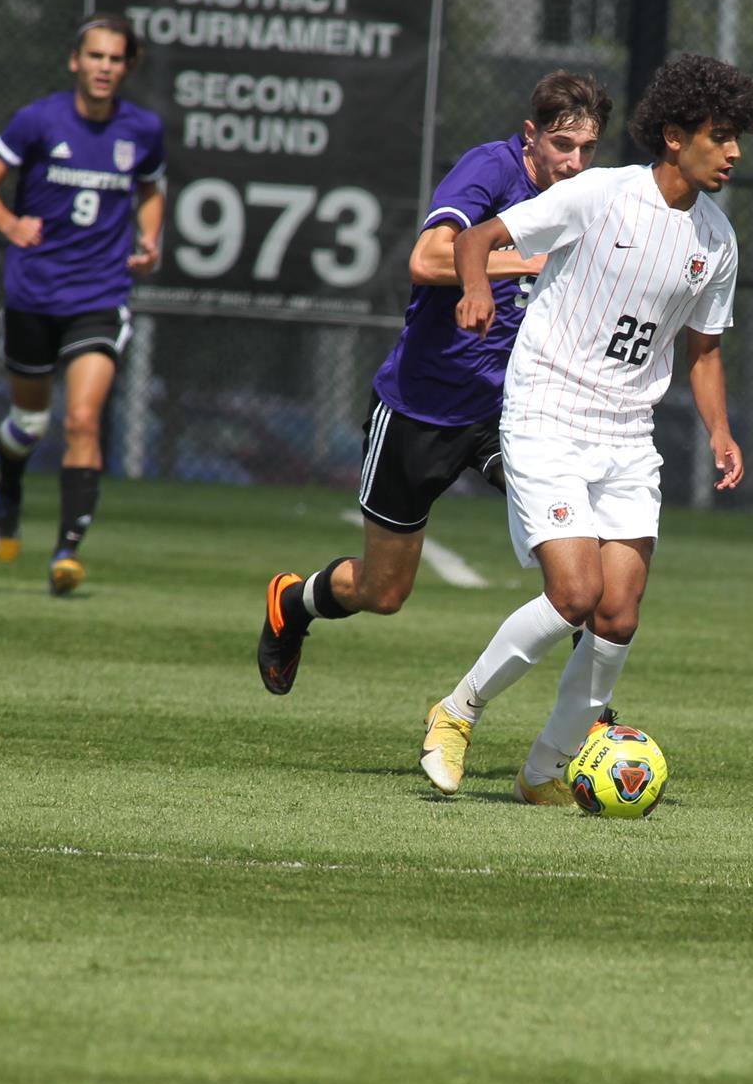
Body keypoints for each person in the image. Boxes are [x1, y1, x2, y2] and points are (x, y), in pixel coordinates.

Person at [415, 53, 753, 804]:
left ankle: (545, 767)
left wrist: (721, 432)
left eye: (738, 137)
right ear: (675, 136)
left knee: (618, 612)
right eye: (721, 135)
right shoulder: (599, 195)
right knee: (573, 593)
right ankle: (457, 710)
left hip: (627, 429)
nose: (734, 152)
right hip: (547, 406)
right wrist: (475, 289)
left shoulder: (718, 241)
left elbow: (703, 351)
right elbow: (475, 239)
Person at [255, 73, 613, 695]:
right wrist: (517, 262)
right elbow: (425, 259)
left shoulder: (588, 197)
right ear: (531, 137)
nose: (574, 162)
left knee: (589, 561)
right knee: (383, 592)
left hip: (517, 414)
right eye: (562, 145)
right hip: (423, 408)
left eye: (587, 149)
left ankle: (588, 725)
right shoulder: (491, 171)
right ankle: (294, 602)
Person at [0, 12, 165, 596]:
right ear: (75, 62)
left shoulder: (144, 129)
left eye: (115, 59)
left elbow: (152, 192)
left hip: (99, 295)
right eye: (95, 57)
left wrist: (151, 239)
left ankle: (66, 551)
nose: (105, 68)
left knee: (82, 419)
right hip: (33, 293)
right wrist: (10, 223)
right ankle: (9, 484)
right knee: (29, 422)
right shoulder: (39, 119)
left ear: (127, 67)